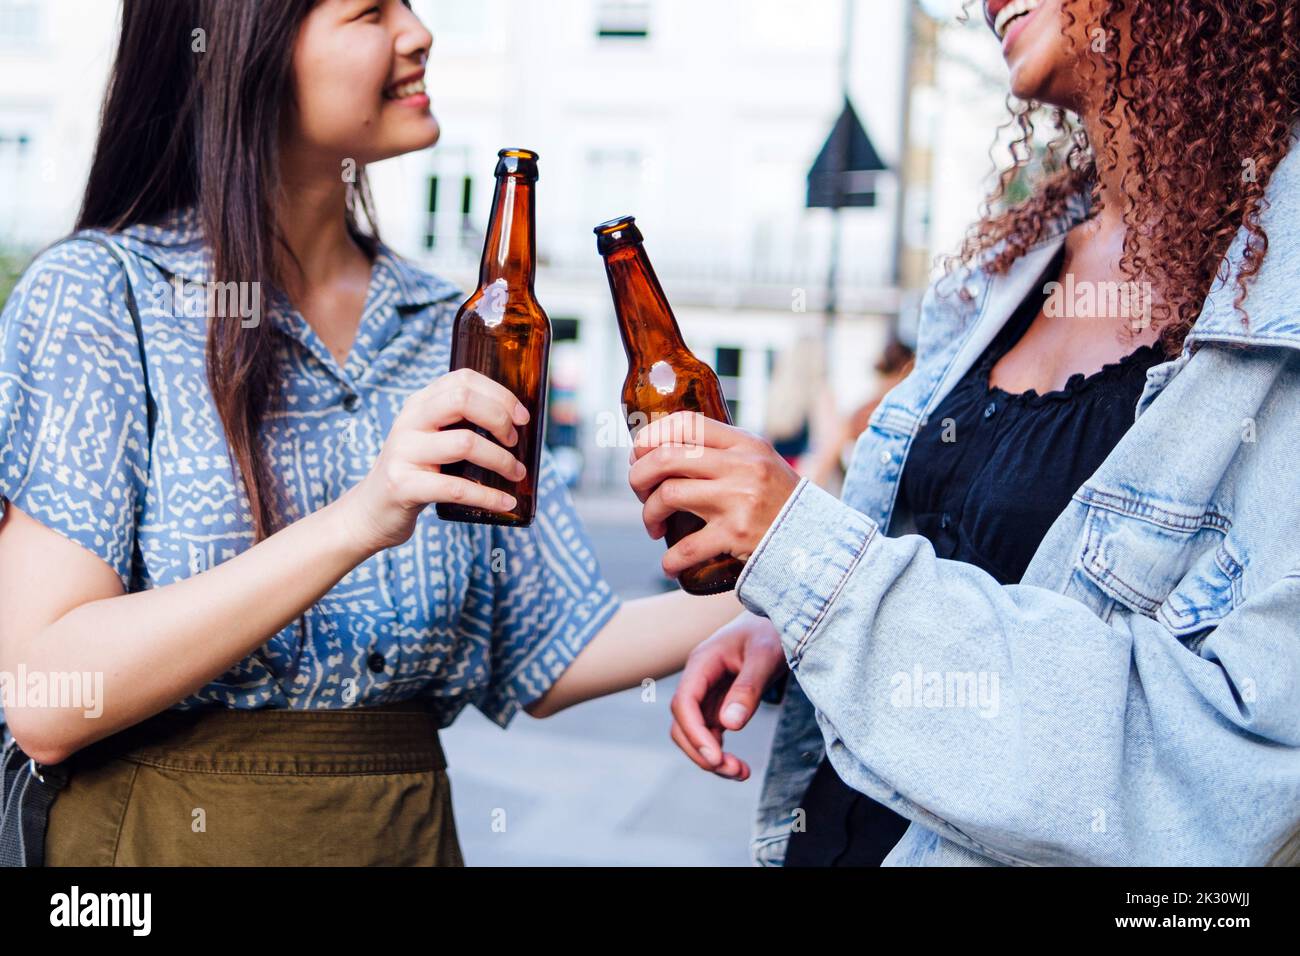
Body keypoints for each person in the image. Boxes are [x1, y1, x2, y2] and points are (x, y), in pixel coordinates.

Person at [0, 0, 741, 866]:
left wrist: (794, 582)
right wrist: (362, 517)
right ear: (247, 50)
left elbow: (551, 646)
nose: (420, 32)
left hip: (403, 838)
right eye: (368, 10)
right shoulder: (102, 296)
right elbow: (46, 700)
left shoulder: (448, 325)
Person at [630, 0, 1300, 865]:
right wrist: (803, 631)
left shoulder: (1278, 295)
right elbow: (954, 567)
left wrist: (812, 561)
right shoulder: (1005, 271)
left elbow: (1214, 778)